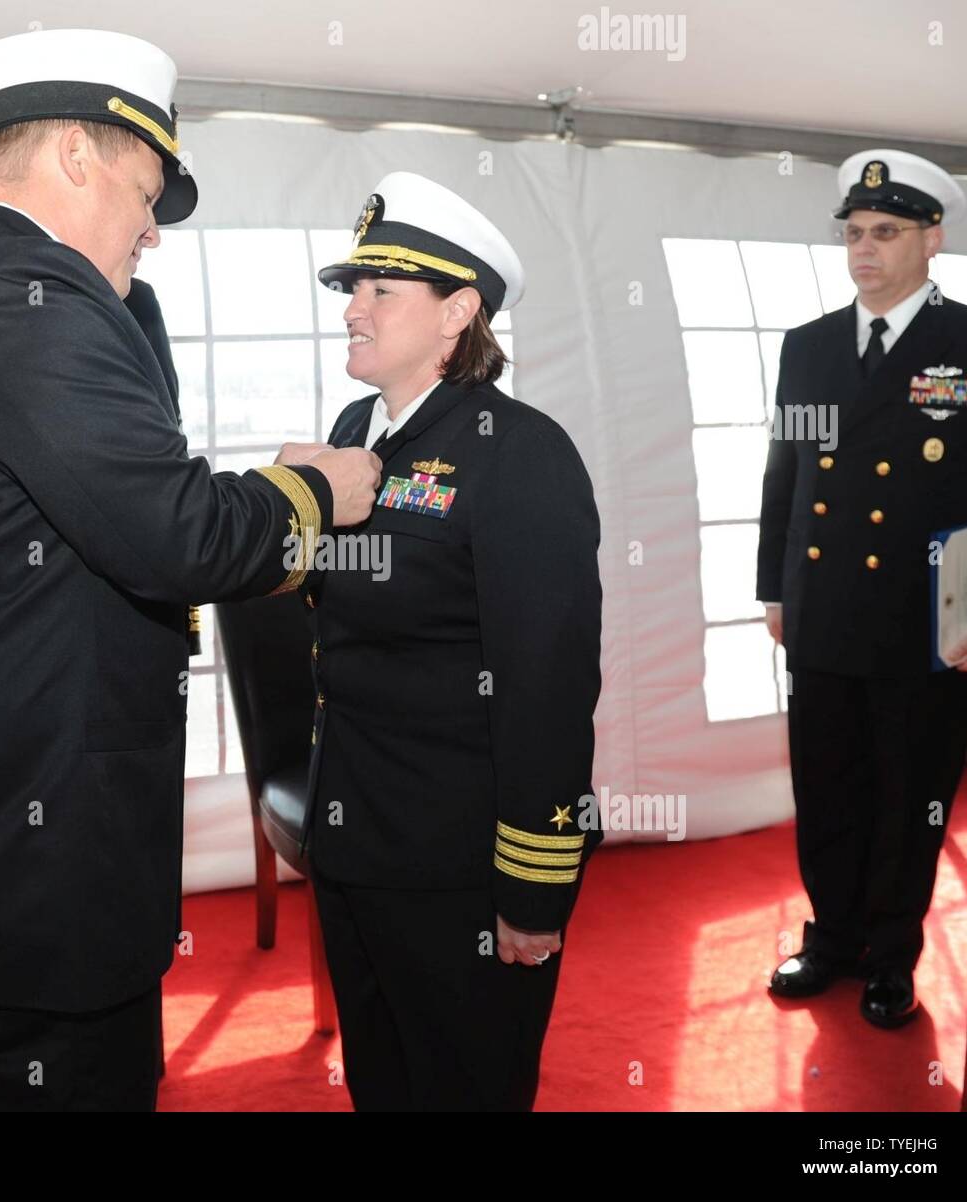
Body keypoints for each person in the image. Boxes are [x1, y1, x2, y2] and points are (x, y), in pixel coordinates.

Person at [0, 28, 380, 1111]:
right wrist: (322, 491)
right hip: (39, 850)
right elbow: (177, 536)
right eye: (145, 190)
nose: (151, 229)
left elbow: (80, 505)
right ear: (78, 159)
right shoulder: (30, 296)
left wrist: (226, 490)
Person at [296, 172, 603, 1110]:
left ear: (457, 313)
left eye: (381, 290)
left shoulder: (521, 451)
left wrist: (533, 889)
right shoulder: (357, 430)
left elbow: (546, 691)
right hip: (354, 842)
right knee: (383, 1083)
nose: (353, 308)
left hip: (455, 871)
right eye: (354, 288)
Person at [758, 149, 967, 1028]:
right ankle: (833, 940)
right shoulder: (809, 348)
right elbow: (786, 476)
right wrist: (774, 589)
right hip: (820, 616)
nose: (865, 249)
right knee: (826, 789)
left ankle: (892, 956)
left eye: (886, 232)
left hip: (926, 623)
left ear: (932, 239)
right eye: (854, 233)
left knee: (909, 796)